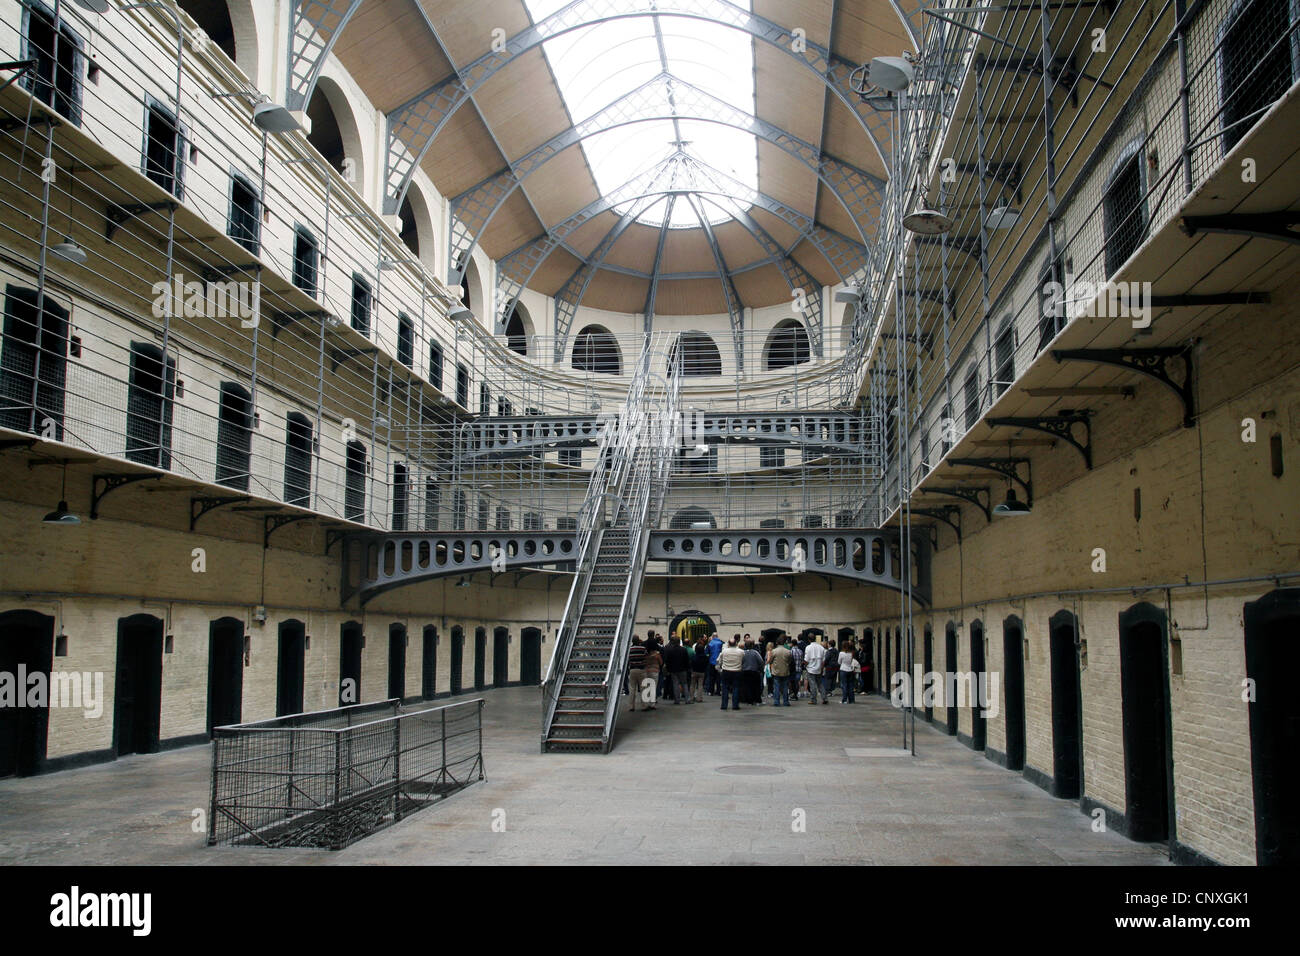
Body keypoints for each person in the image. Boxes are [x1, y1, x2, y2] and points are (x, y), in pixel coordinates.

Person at [717, 636, 745, 711]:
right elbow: (743, 661)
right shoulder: (741, 652)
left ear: (728, 644)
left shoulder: (724, 651)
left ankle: (724, 705)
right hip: (737, 671)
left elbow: (719, 661)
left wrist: (720, 668)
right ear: (736, 643)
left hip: (726, 671)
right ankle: (735, 705)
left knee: (725, 688)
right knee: (736, 688)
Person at [664, 635, 692, 705]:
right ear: (679, 642)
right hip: (682, 669)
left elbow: (668, 661)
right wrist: (687, 668)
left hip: (673, 670)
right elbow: (686, 660)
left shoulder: (670, 650)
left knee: (675, 684)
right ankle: (687, 699)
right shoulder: (683, 649)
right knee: (684, 684)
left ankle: (677, 700)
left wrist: (668, 669)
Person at [768, 637, 793, 706]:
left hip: (776, 671)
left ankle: (776, 701)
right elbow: (790, 660)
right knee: (785, 687)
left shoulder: (774, 651)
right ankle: (786, 701)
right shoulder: (788, 651)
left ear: (777, 643)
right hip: (785, 671)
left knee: (776, 687)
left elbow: (770, 661)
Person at [741, 639, 764, 705]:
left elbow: (741, 661)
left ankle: (749, 700)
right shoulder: (755, 652)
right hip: (754, 672)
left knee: (747, 687)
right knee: (756, 687)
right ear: (752, 645)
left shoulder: (743, 653)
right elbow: (761, 662)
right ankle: (757, 700)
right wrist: (761, 669)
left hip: (745, 672)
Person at [804, 636, 826, 704]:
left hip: (811, 669)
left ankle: (813, 699)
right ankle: (824, 698)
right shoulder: (821, 648)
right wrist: (822, 668)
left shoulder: (808, 647)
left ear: (809, 640)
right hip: (819, 668)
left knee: (812, 684)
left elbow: (806, 659)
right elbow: (823, 660)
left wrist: (805, 665)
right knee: (820, 684)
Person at [627, 637, 647, 712]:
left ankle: (631, 706)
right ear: (638, 641)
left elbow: (628, 659)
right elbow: (646, 658)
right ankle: (644, 706)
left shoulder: (630, 649)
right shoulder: (643, 649)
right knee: (643, 688)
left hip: (632, 669)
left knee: (632, 689)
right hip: (641, 669)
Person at [643, 639, 662, 710]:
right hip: (655, 671)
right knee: (653, 687)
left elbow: (644, 662)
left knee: (647, 687)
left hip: (647, 671)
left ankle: (646, 703)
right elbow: (661, 662)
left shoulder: (645, 654)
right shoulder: (657, 654)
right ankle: (652, 704)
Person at [690, 637, 709, 702]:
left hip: (694, 671)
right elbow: (706, 664)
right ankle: (699, 698)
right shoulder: (705, 657)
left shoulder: (694, 656)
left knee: (692, 685)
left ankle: (691, 697)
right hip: (702, 672)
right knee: (700, 685)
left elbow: (691, 663)